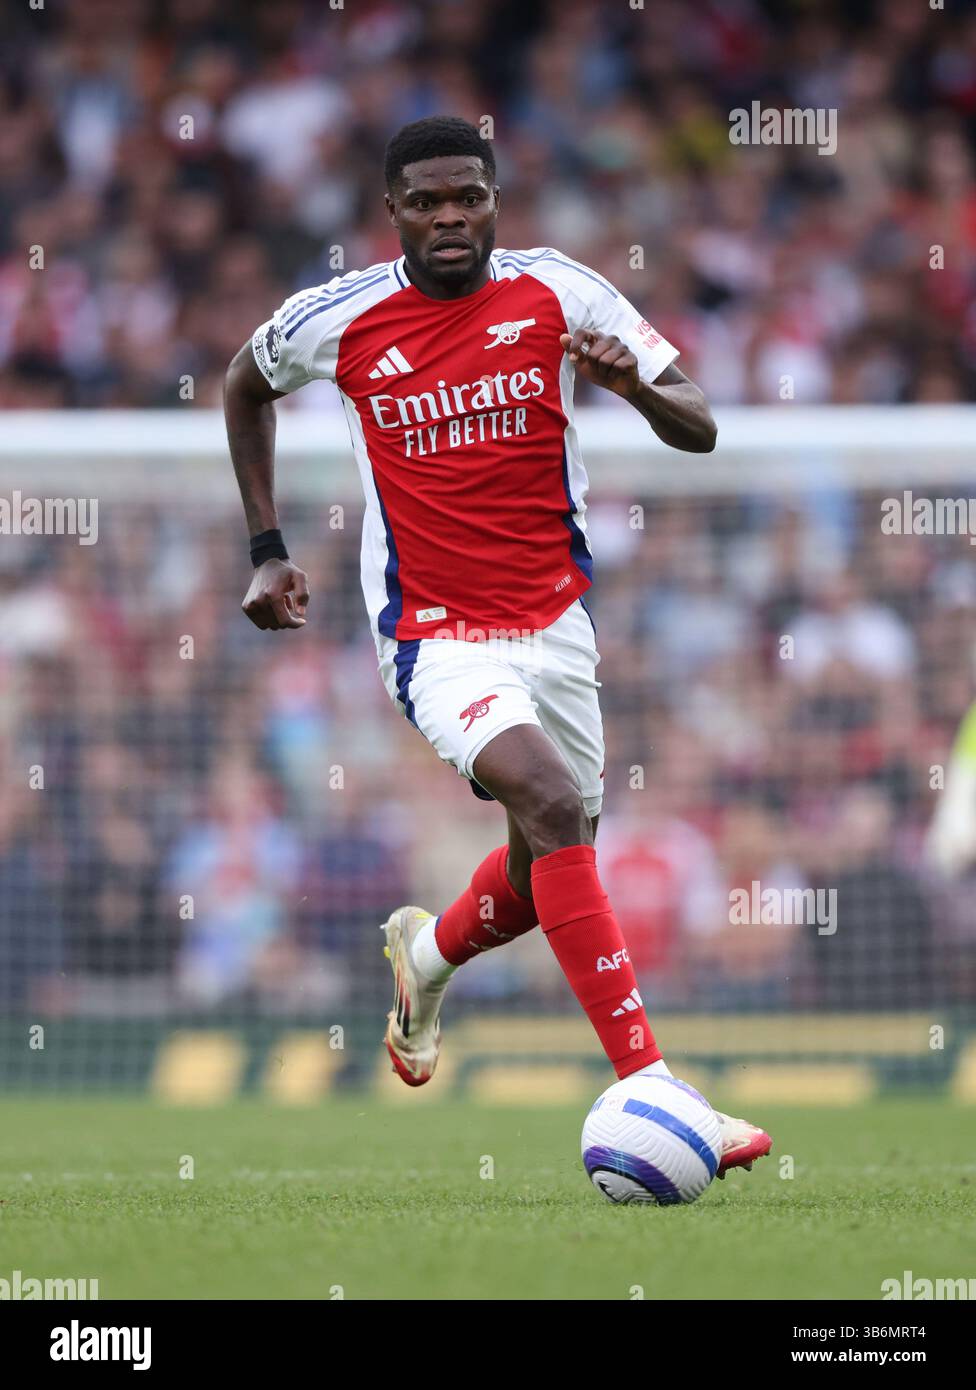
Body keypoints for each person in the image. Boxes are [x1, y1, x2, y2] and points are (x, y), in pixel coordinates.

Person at [224, 115, 769, 1176]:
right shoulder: (337, 319)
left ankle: (425, 958)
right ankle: (652, 1085)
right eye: (425, 201)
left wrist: (634, 387)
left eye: (467, 196)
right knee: (554, 805)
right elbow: (242, 384)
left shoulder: (561, 292)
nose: (449, 218)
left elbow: (699, 424)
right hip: (432, 632)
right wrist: (265, 546)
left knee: (544, 863)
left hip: (557, 626)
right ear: (391, 213)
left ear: (493, 200)